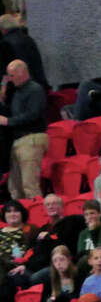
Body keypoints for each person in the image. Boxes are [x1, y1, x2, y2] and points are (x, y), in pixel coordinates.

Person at [0, 60, 47, 201]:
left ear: (22, 72)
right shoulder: (17, 92)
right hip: (19, 140)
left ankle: (39, 217)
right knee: (15, 187)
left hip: (31, 138)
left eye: (11, 75)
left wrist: (8, 121)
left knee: (29, 185)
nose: (9, 79)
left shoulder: (35, 89)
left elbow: (33, 114)